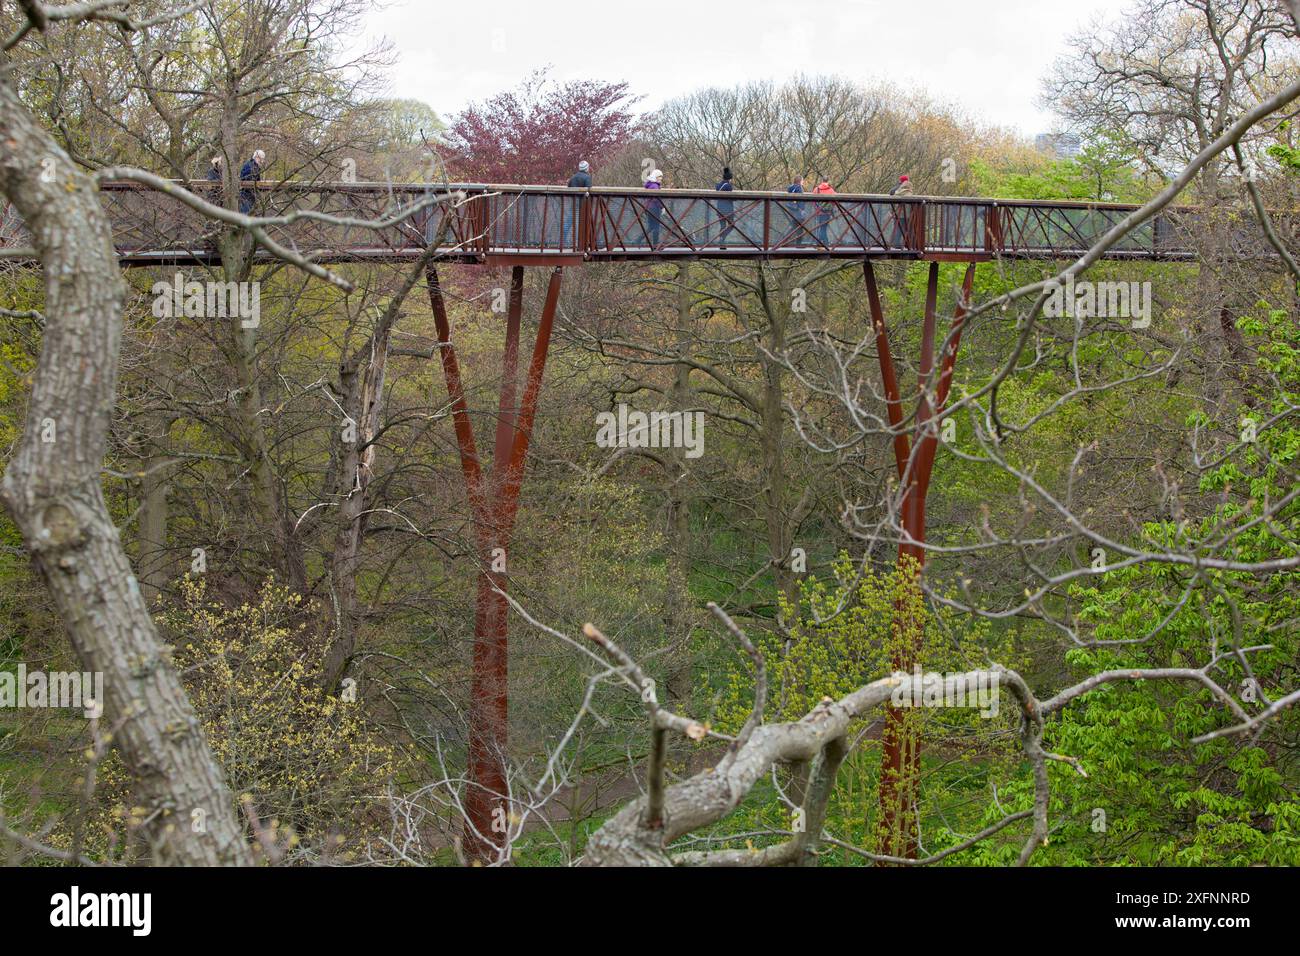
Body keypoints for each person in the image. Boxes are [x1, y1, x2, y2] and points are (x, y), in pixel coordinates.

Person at [564, 160, 592, 248]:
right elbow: (589, 190)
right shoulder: (587, 178)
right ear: (587, 168)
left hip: (573, 204)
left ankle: (562, 240)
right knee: (584, 223)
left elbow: (568, 188)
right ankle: (582, 243)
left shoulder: (573, 178)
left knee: (569, 223)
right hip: (583, 205)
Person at [239, 149, 265, 215]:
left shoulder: (255, 166)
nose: (262, 161)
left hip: (251, 194)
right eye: (261, 159)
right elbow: (244, 178)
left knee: (250, 214)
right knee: (245, 214)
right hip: (246, 194)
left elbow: (257, 180)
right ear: (257, 157)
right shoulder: (250, 166)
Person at [643, 168, 665, 249]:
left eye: (661, 177)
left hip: (649, 208)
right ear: (655, 176)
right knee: (656, 227)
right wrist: (662, 207)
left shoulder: (650, 185)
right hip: (654, 208)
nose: (661, 178)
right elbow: (656, 198)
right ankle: (655, 245)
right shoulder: (655, 186)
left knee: (651, 226)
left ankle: (637, 240)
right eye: (659, 177)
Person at [812, 175, 835, 246]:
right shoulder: (831, 190)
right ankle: (825, 243)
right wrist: (830, 209)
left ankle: (820, 242)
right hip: (827, 213)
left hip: (819, 212)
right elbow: (834, 202)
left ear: (822, 180)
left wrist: (817, 208)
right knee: (824, 228)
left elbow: (813, 201)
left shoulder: (817, 189)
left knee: (821, 227)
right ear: (828, 181)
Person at [715, 166, 736, 247]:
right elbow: (730, 198)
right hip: (728, 210)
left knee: (722, 226)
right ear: (729, 178)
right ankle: (722, 239)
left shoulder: (717, 186)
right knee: (732, 225)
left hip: (719, 209)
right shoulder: (728, 186)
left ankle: (721, 242)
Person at [785, 175, 806, 246]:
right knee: (799, 228)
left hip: (791, 209)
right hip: (798, 211)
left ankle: (783, 241)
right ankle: (798, 244)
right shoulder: (799, 187)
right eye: (802, 180)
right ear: (800, 181)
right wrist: (802, 210)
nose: (803, 182)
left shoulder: (790, 187)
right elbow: (801, 200)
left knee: (793, 226)